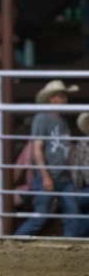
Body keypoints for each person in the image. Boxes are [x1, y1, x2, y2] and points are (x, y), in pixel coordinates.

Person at [14, 80, 80, 237]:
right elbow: (37, 149)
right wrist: (45, 176)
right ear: (51, 99)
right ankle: (16, 241)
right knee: (41, 217)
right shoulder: (42, 118)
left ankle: (68, 247)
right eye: (60, 96)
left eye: (65, 96)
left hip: (63, 177)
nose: (64, 99)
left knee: (73, 214)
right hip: (49, 176)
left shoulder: (63, 122)